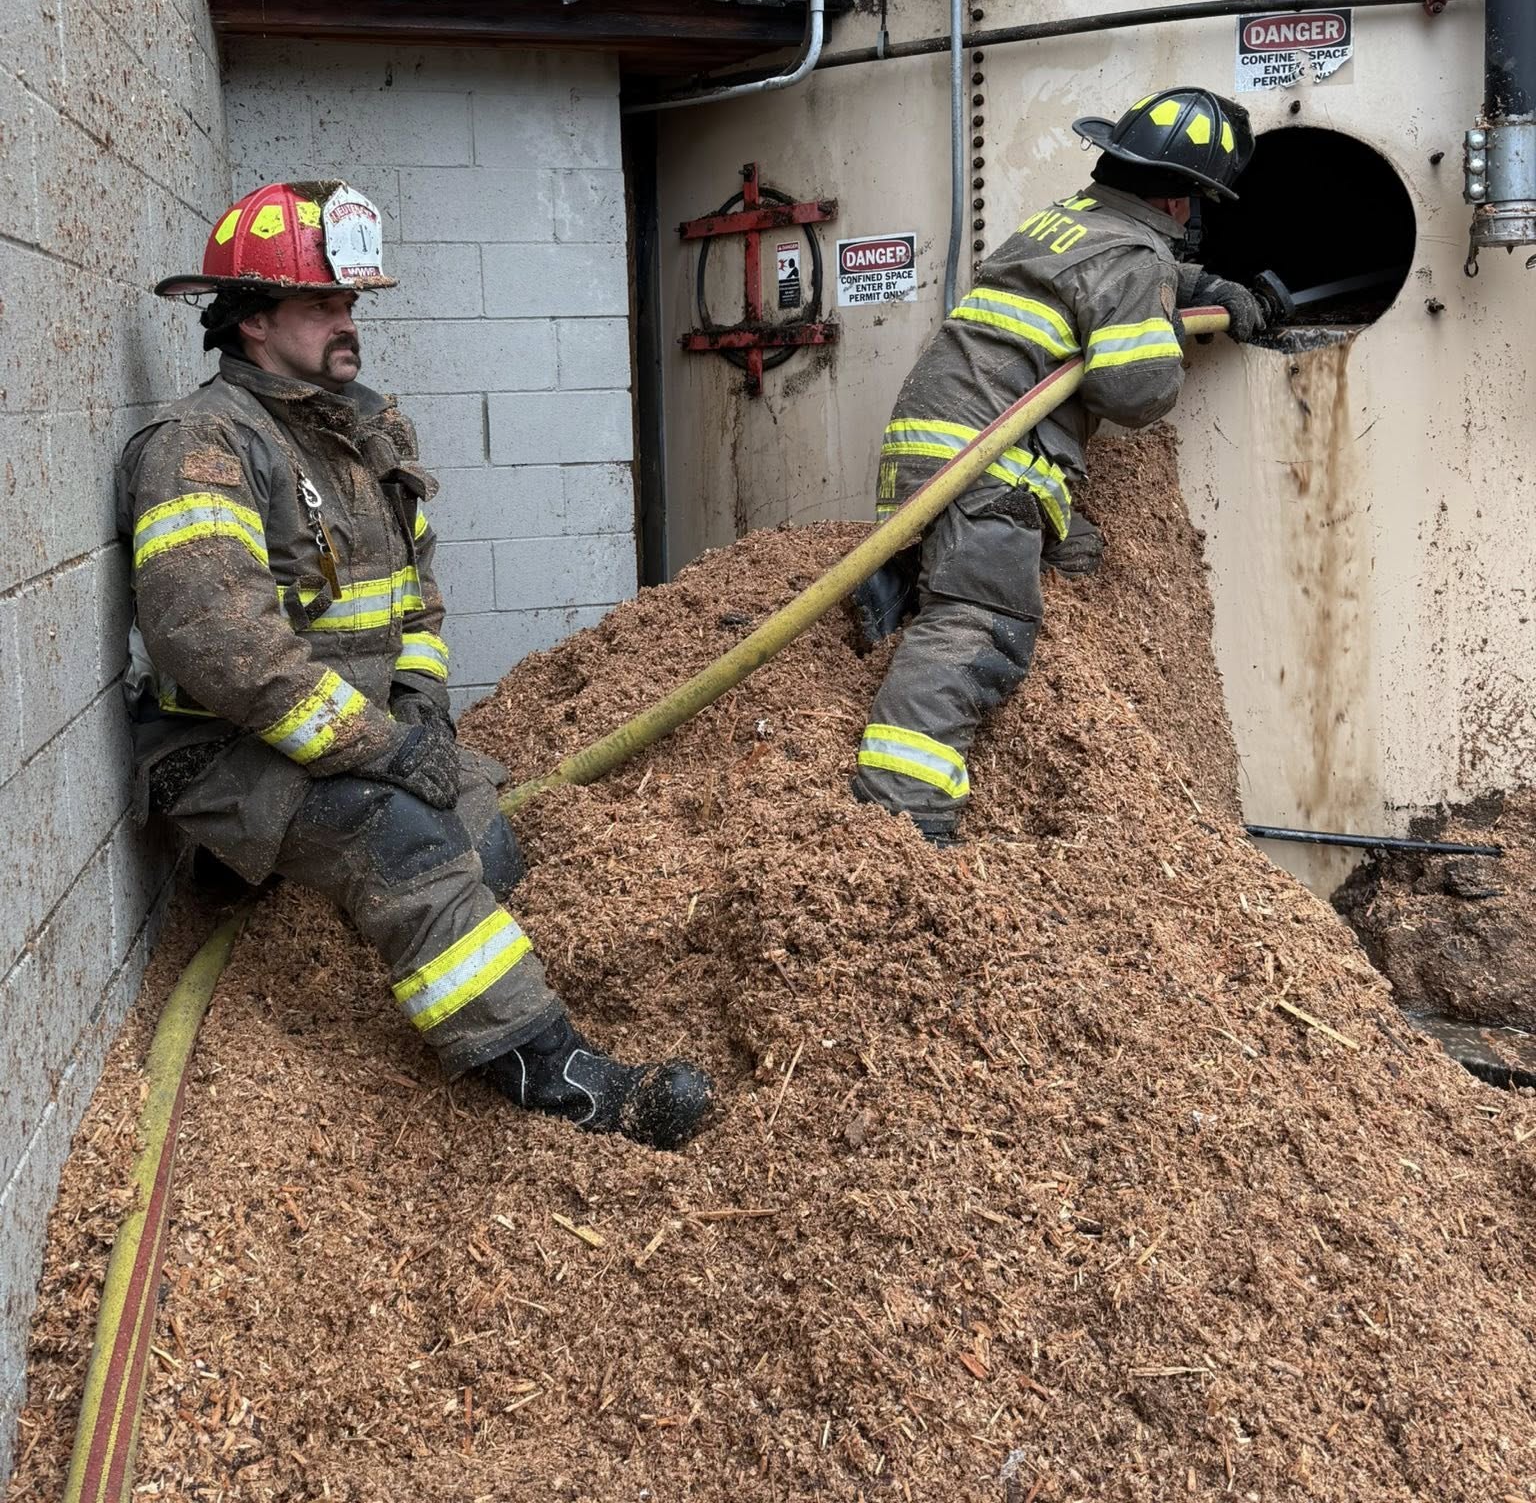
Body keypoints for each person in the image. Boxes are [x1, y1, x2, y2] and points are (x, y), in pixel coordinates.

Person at [117, 179, 711, 1149]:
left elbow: (413, 595)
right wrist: (381, 751)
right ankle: (547, 1066)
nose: (349, 323)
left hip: (347, 728)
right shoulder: (206, 444)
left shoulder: (363, 430)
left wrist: (421, 701)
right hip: (219, 747)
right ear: (253, 320)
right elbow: (215, 644)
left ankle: (304, 882)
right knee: (401, 836)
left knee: (490, 844)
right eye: (323, 304)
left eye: (353, 302)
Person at [850, 88, 1264, 846]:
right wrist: (1175, 318)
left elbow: (1103, 278)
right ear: (1184, 200)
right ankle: (900, 818)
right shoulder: (1132, 260)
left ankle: (902, 584)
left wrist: (1205, 290)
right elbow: (1135, 392)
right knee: (984, 624)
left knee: (1073, 550)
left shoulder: (1067, 224)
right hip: (983, 462)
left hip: (938, 441)